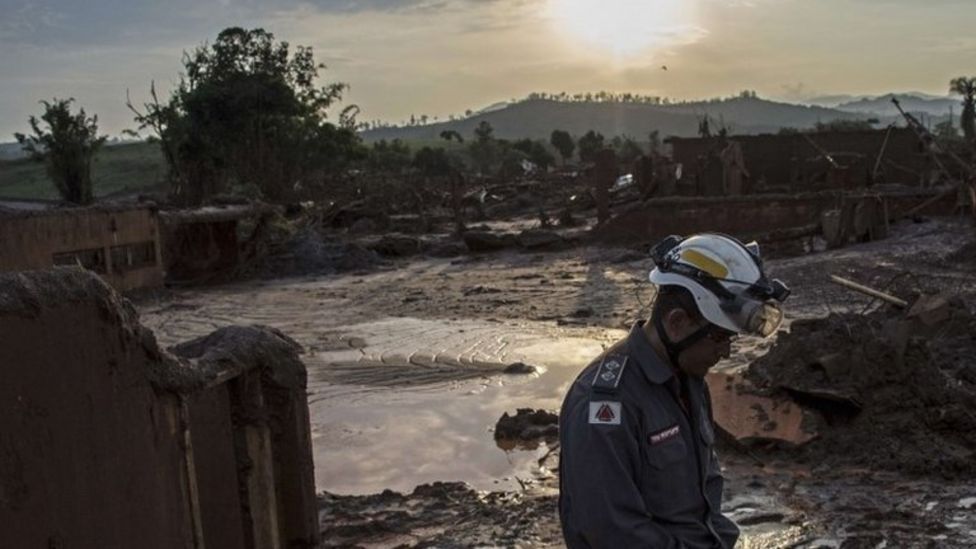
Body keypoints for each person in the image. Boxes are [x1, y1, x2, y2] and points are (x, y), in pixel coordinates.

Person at [558, 233, 790, 548]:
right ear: (678, 322)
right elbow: (613, 532)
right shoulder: (605, 402)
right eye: (720, 338)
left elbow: (705, 502)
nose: (727, 353)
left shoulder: (689, 382)